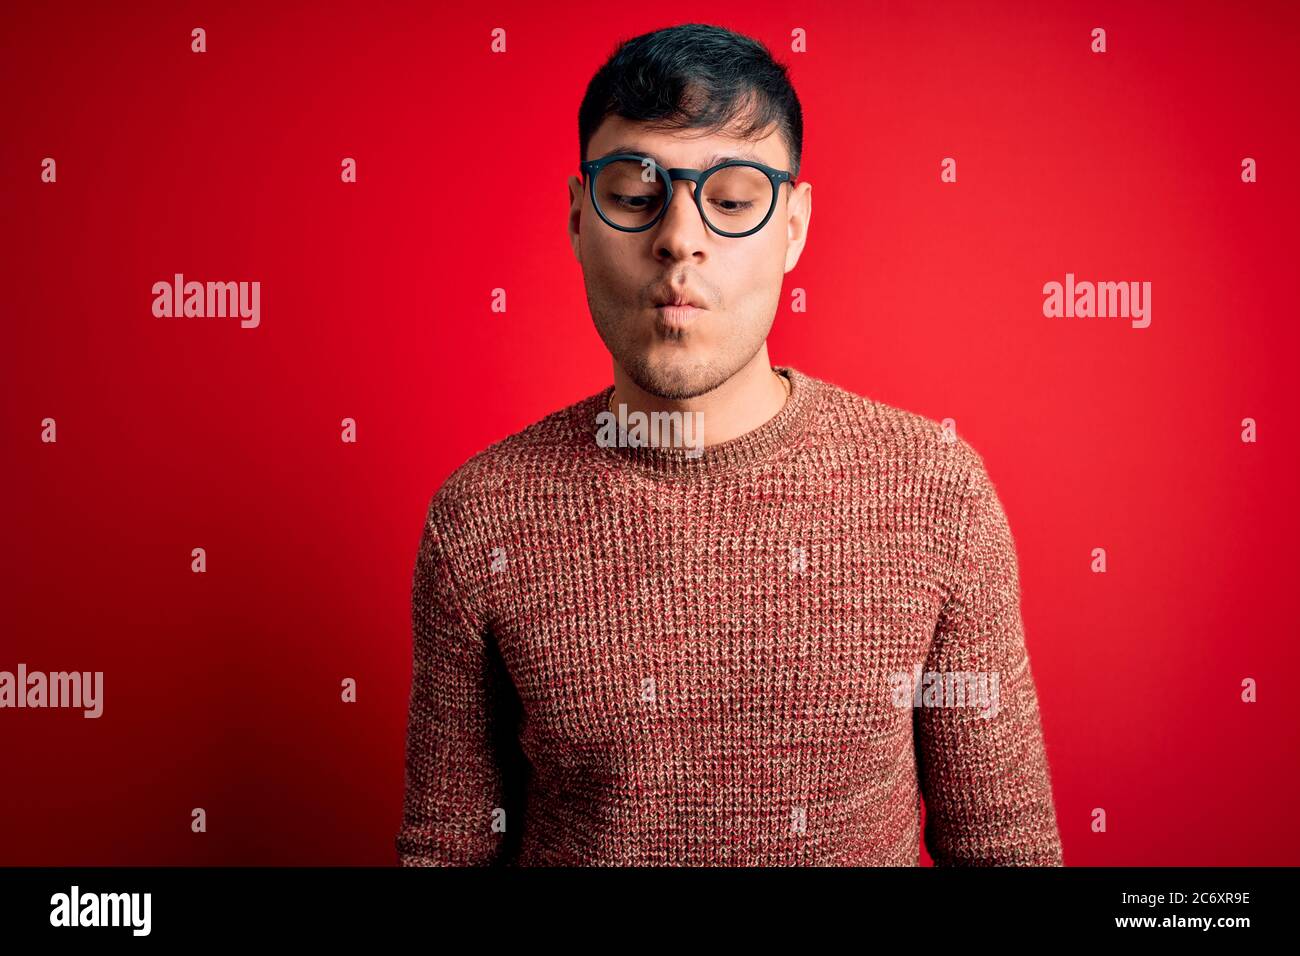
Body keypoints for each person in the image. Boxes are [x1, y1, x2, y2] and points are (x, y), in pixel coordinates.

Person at [396, 22, 1063, 866]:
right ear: (576, 219)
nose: (680, 238)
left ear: (793, 226)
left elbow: (1004, 847)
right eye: (636, 194)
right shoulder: (480, 519)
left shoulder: (936, 493)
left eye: (733, 199)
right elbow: (447, 851)